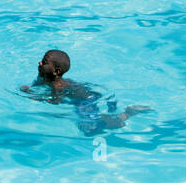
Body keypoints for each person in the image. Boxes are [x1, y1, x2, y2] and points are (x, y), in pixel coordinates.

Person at [21, 49, 149, 135]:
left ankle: (127, 113)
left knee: (92, 127)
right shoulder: (46, 77)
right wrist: (31, 89)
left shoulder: (57, 85)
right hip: (83, 95)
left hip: (85, 101)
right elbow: (39, 83)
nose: (39, 62)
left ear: (56, 71)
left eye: (44, 62)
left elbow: (55, 102)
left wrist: (35, 97)